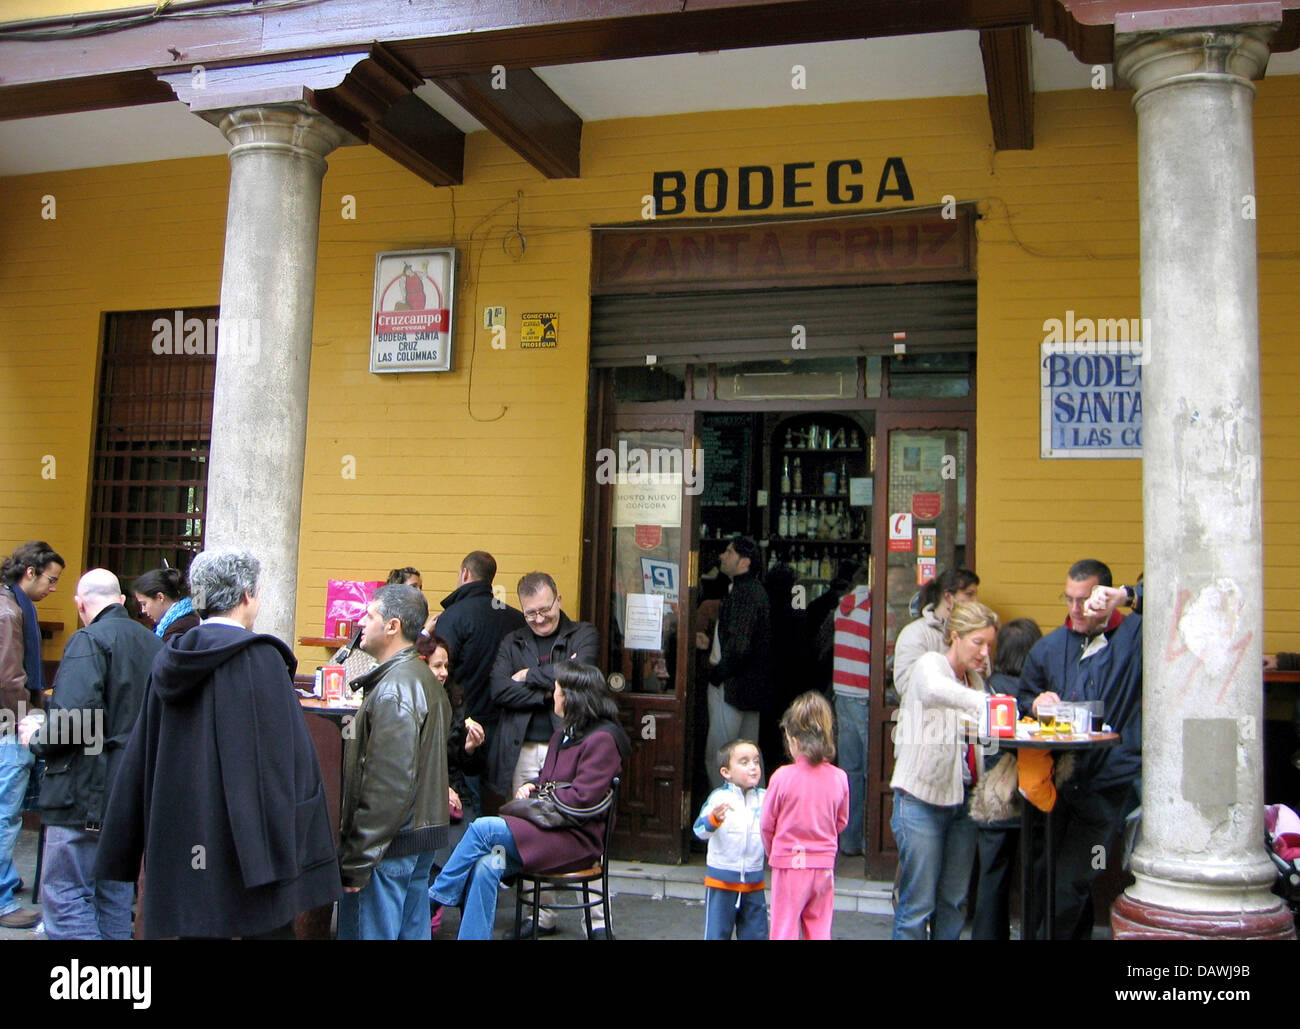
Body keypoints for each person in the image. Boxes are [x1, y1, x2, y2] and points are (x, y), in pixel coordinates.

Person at [94, 548, 341, 938]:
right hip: (255, 851)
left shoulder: (170, 659)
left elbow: (142, 753)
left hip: (186, 840)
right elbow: (292, 764)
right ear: (246, 595)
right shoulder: (262, 662)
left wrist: (125, 843)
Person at [430, 660, 629, 940]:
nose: (554, 695)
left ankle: (436, 898)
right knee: (487, 865)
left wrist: (544, 792)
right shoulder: (562, 734)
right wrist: (530, 786)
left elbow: (584, 798)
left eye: (557, 690)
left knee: (483, 829)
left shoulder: (604, 739)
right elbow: (547, 779)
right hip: (545, 832)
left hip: (575, 841)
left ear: (573, 696)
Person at [20, 569, 161, 939]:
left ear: (80, 604)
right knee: (113, 899)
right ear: (122, 600)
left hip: (83, 791)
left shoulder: (89, 640)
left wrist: (37, 736)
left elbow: (74, 722)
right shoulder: (154, 644)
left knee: (66, 897)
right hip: (131, 793)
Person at [1017, 559, 1142, 940]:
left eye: (1085, 599)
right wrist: (1036, 703)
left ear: (1104, 597)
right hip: (1055, 786)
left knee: (1079, 875)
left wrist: (1125, 596)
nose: (1075, 608)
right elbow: (1024, 697)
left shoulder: (1138, 635)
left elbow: (1176, 597)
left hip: (1110, 785)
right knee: (1048, 878)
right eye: (1068, 599)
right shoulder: (1049, 646)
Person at [487, 571, 599, 936]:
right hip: (521, 751)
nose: (538, 619)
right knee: (529, 833)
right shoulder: (512, 640)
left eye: (544, 610)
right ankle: (541, 915)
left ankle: (594, 920)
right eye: (530, 613)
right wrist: (551, 686)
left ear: (559, 600)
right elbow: (500, 690)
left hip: (569, 749)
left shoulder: (583, 633)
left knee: (580, 823)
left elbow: (582, 675)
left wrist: (529, 676)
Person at [337, 583, 451, 940]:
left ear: (392, 626)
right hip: (416, 838)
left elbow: (388, 786)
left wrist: (358, 861)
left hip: (390, 845)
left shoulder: (395, 688)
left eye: (369, 615)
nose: (360, 622)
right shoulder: (420, 678)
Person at [890, 600, 999, 940]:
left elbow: (989, 736)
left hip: (964, 805)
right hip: (920, 801)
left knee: (953, 902)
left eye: (990, 645)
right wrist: (987, 704)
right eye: (977, 642)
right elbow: (936, 691)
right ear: (955, 636)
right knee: (916, 907)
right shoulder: (931, 663)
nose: (984, 652)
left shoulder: (978, 682)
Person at [425, 550, 526, 816]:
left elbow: (440, 674)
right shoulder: (514, 619)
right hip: (507, 724)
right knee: (503, 796)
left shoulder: (452, 617)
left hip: (464, 726)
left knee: (468, 796)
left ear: (465, 574)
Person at [0, 540, 64, 929]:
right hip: (9, 723)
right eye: (51, 580)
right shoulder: (9, 613)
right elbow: (9, 678)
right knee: (6, 815)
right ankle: (2, 902)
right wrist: (29, 718)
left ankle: (5, 880)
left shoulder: (11, 605)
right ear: (30, 573)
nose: (54, 588)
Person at [970, 617, 1042, 941]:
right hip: (1033, 793)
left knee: (992, 877)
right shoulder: (1037, 695)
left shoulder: (986, 688)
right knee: (1036, 876)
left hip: (995, 792)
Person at [761, 692, 848, 940]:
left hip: (789, 863)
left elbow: (767, 824)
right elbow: (841, 821)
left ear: (793, 740)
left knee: (784, 928)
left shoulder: (781, 777)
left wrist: (774, 852)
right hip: (823, 864)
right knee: (820, 928)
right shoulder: (839, 778)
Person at [415, 632, 486, 935]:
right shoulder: (409, 702)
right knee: (442, 846)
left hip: (456, 796)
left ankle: (436, 904)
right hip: (422, 798)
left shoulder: (455, 701)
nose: (443, 673)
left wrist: (470, 749)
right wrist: (439, 788)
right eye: (436, 666)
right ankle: (430, 908)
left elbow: (463, 764)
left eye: (446, 666)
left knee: (477, 855)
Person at [701, 537, 772, 790]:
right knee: (749, 757)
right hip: (749, 688)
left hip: (732, 687)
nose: (722, 556)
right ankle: (753, 816)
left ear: (744, 561)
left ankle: (721, 817)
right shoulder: (752, 591)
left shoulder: (743, 594)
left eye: (729, 552)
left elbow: (740, 646)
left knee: (722, 755)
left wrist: (718, 673)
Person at [693, 739, 768, 940]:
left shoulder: (765, 798)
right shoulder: (718, 798)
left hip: (754, 882)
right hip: (721, 882)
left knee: (757, 935)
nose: (753, 767)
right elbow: (699, 830)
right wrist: (713, 819)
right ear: (726, 772)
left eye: (756, 762)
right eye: (744, 762)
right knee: (717, 934)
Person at [831, 564, 872, 857]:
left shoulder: (841, 608)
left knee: (851, 772)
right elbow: (885, 653)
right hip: (864, 694)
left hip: (842, 692)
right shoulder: (876, 609)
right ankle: (874, 842)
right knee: (876, 770)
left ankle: (850, 840)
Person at [891, 567, 979, 698]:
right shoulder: (915, 633)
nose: (975, 601)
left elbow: (982, 681)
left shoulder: (974, 633)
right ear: (949, 597)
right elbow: (906, 685)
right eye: (969, 594)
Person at [132, 566, 200, 641]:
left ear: (160, 597)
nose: (143, 610)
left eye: (144, 604)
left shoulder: (178, 629)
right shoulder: (186, 620)